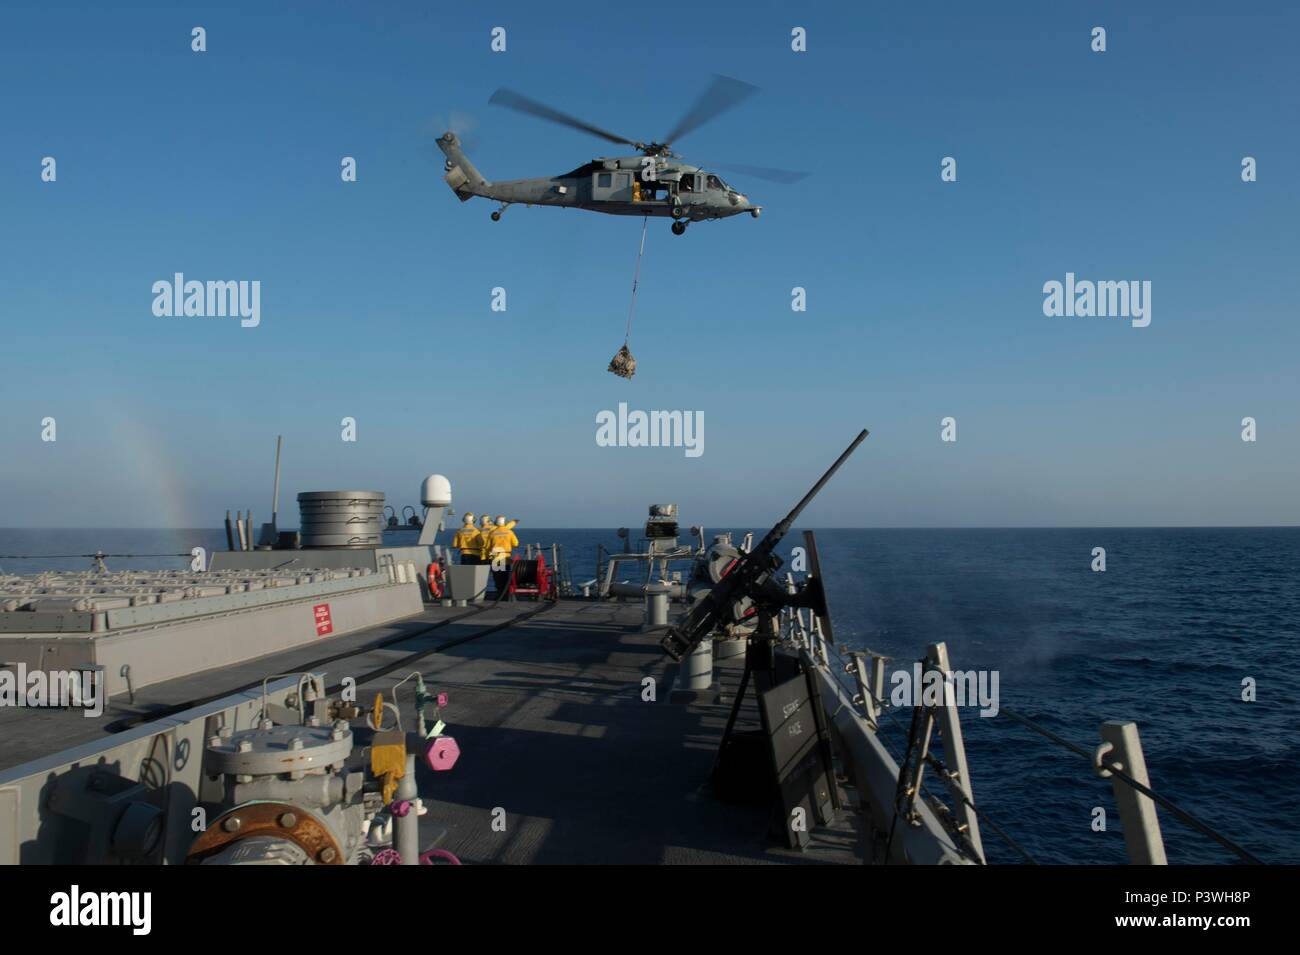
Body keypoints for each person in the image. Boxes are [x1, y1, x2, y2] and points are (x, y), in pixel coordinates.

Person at [488, 515, 519, 596]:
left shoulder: (492, 533)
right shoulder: (509, 532)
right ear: (505, 522)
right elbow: (516, 543)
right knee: (505, 576)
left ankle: (499, 594)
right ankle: (505, 595)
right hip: (505, 557)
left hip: (495, 557)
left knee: (497, 577)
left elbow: (488, 546)